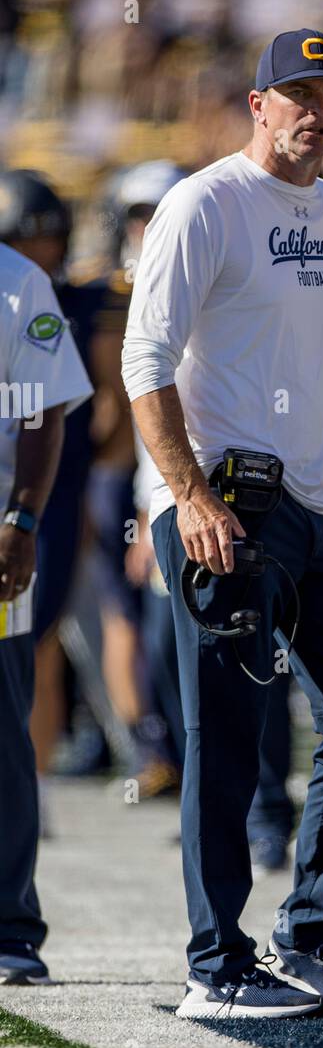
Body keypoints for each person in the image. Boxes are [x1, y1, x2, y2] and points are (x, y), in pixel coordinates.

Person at [121, 28, 323, 1020]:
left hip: (313, 500)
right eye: (297, 92)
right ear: (257, 103)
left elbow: (311, 361)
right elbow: (142, 360)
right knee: (228, 737)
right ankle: (214, 964)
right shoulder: (204, 203)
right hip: (226, 503)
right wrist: (188, 498)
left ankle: (308, 934)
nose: (316, 110)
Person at [0, 238, 92, 984]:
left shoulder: (19, 282)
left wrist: (23, 520)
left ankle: (9, 927)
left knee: (2, 731)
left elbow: (42, 412)